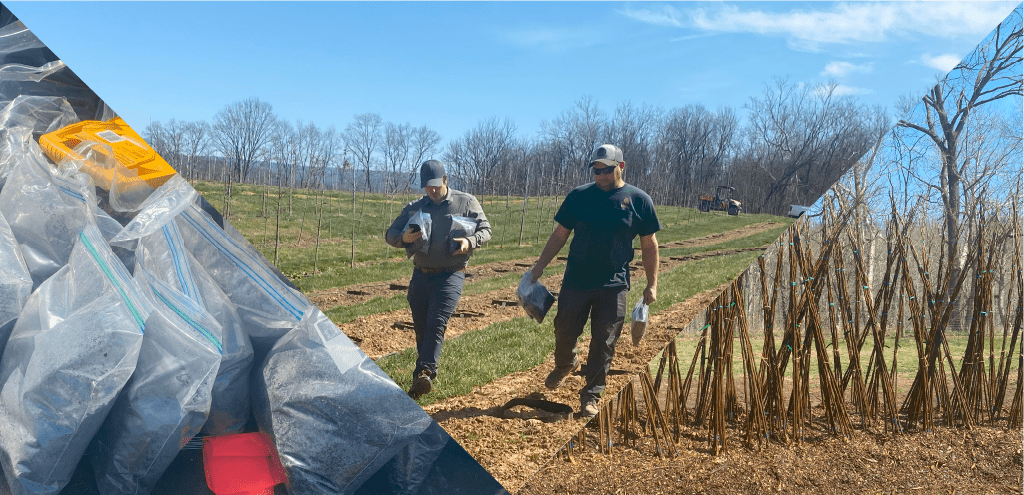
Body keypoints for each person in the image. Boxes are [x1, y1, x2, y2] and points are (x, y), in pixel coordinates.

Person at [529, 144, 661, 418]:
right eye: (596, 170)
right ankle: (566, 363)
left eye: (606, 170)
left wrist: (652, 283)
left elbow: (650, 245)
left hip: (614, 284)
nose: (600, 175)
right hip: (576, 280)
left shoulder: (638, 200)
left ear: (620, 167)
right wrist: (539, 266)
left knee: (604, 341)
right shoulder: (579, 197)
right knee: (564, 329)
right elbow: (560, 235)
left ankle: (591, 396)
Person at [385, 159, 491, 400]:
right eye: (426, 187)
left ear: (445, 180)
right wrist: (404, 238)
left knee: (437, 321)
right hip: (421, 275)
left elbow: (486, 230)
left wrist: (469, 242)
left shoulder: (466, 202)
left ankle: (425, 371)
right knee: (422, 327)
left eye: (435, 185)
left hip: (451, 275)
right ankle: (421, 376)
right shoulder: (416, 207)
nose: (431, 191)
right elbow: (390, 234)